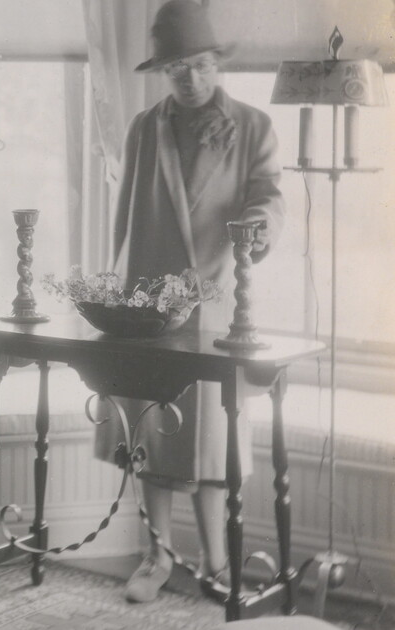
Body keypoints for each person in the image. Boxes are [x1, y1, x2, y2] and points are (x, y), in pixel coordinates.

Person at [92, 0, 285, 604]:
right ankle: (156, 555)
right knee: (151, 432)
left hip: (218, 306)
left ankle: (218, 565)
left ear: (215, 63)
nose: (191, 80)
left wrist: (257, 226)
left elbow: (270, 197)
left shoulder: (253, 126)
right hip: (148, 305)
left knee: (212, 439)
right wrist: (116, 291)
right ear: (164, 71)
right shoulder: (144, 127)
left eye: (200, 67)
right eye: (178, 70)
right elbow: (124, 221)